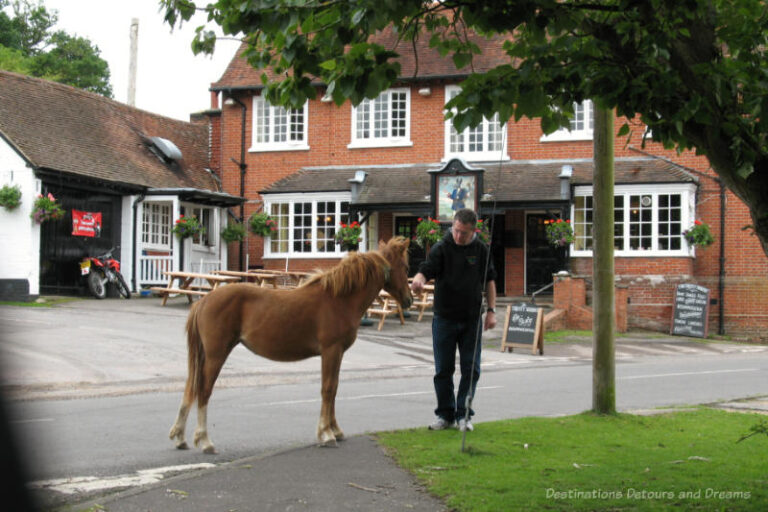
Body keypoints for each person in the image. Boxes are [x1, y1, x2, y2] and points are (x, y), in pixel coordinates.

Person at [411, 208, 497, 432]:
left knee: (471, 369)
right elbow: (426, 269)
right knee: (443, 369)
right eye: (456, 231)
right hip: (444, 318)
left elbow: (489, 281)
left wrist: (492, 310)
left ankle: (464, 415)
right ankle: (445, 415)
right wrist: (418, 280)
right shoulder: (442, 248)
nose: (458, 236)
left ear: (473, 231)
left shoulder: (480, 250)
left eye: (464, 233)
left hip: (471, 320)